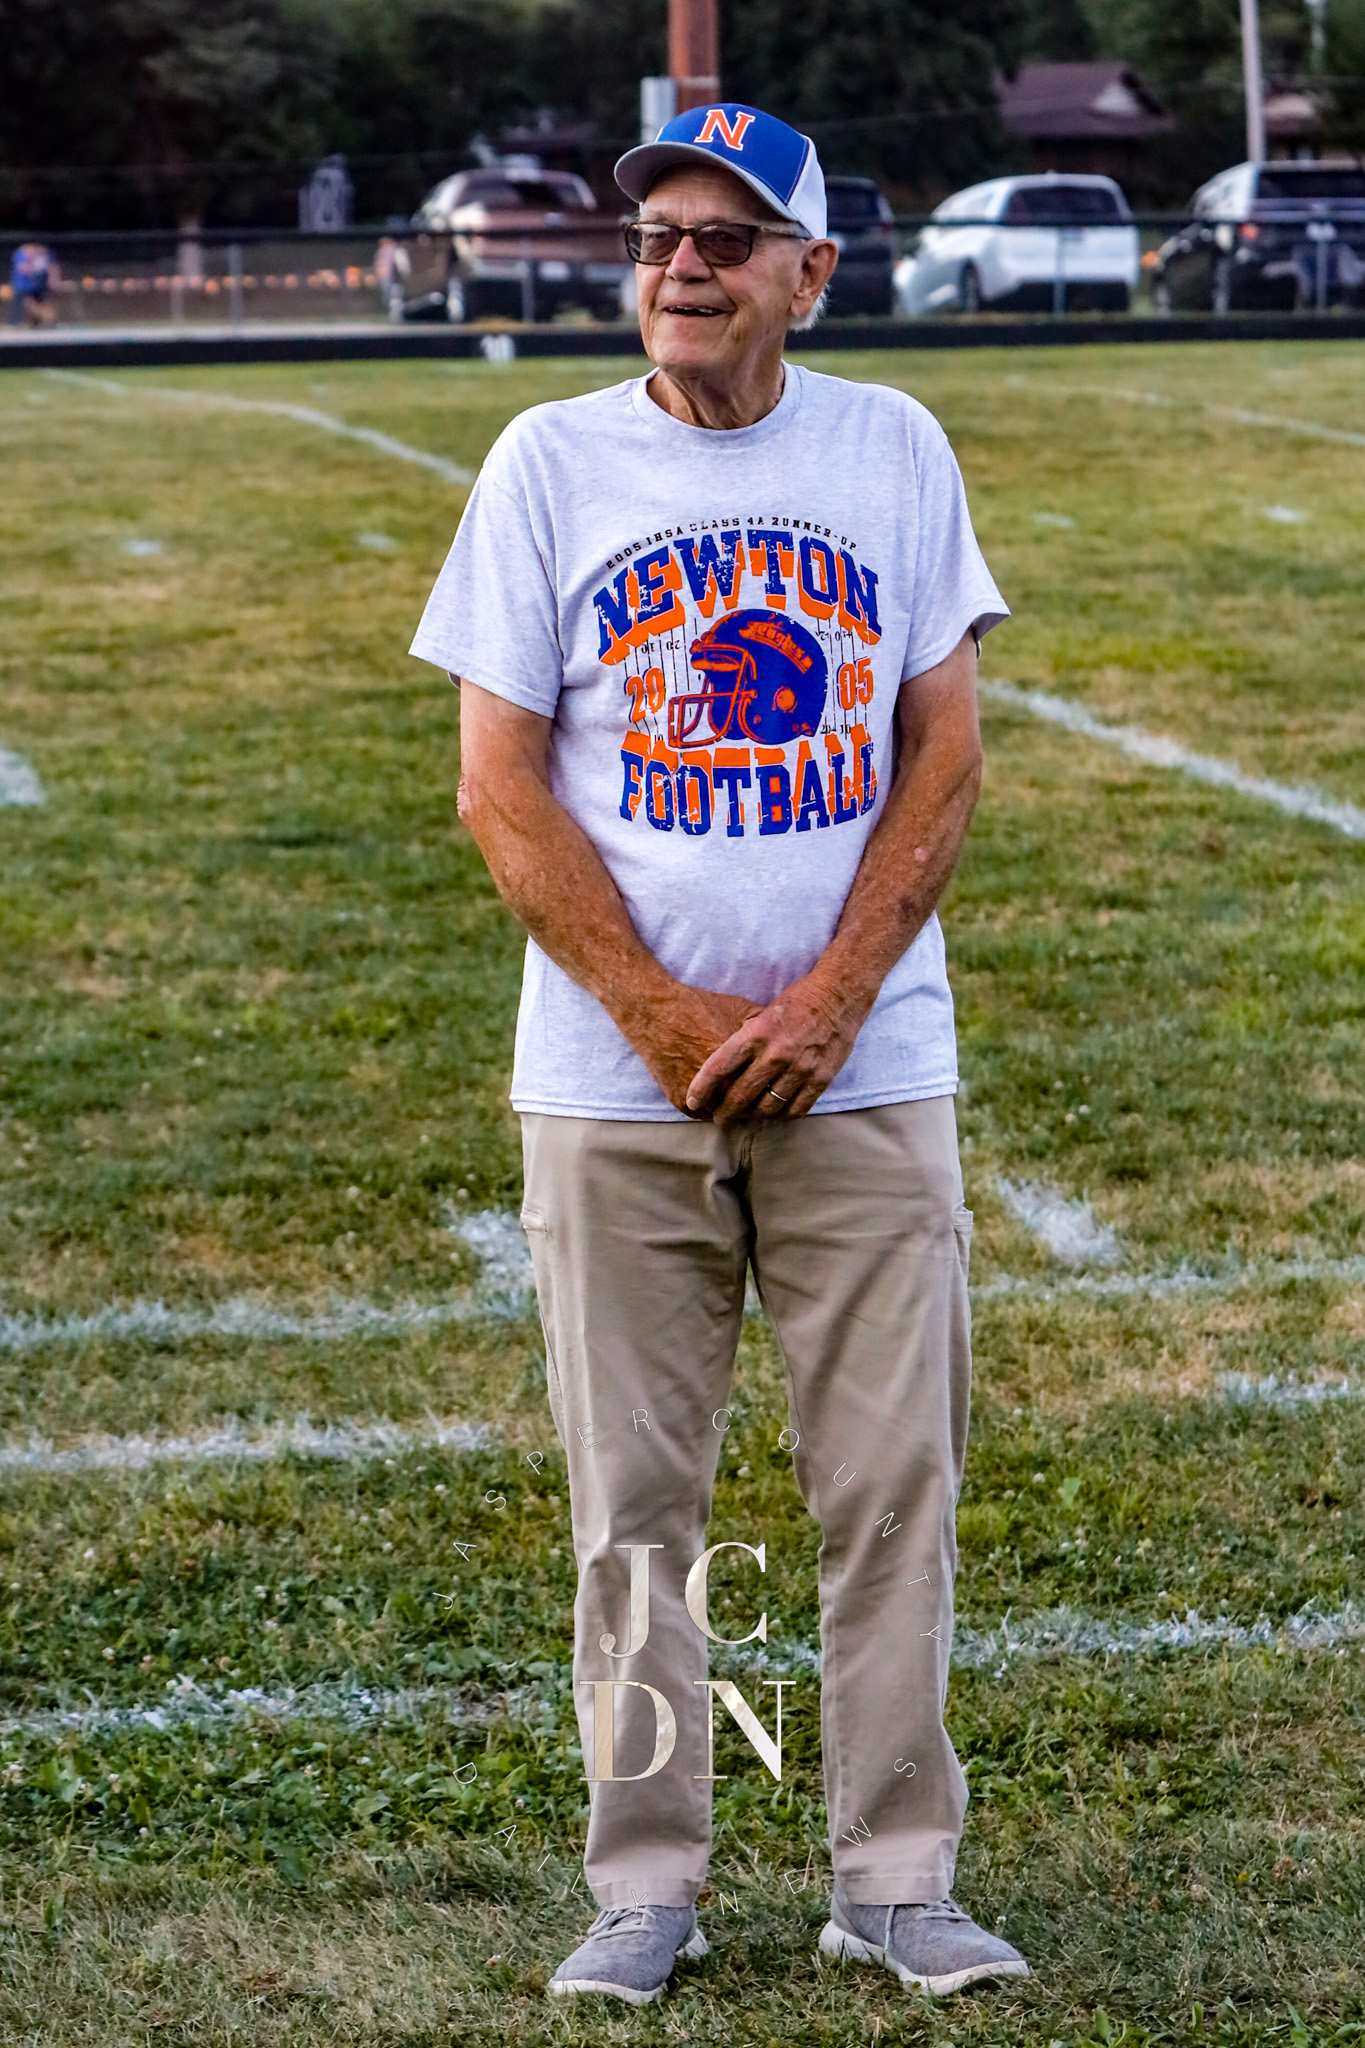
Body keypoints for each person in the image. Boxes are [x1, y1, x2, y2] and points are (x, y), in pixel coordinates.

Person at [410, 101, 1028, 2008]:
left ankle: (895, 1876)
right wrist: (662, 1013)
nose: (683, 262)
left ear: (811, 275)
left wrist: (833, 998)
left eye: (730, 237)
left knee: (890, 1481)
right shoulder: (546, 458)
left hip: (867, 1064)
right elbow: (498, 782)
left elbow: (945, 750)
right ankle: (650, 1878)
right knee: (637, 1508)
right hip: (614, 1084)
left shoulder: (892, 448)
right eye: (662, 234)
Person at [10, 242, 58, 326]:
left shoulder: (44, 255)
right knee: (29, 303)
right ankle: (37, 321)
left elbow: (51, 268)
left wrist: (52, 280)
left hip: (37, 283)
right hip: (29, 284)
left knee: (38, 304)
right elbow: (23, 268)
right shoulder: (26, 254)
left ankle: (46, 320)